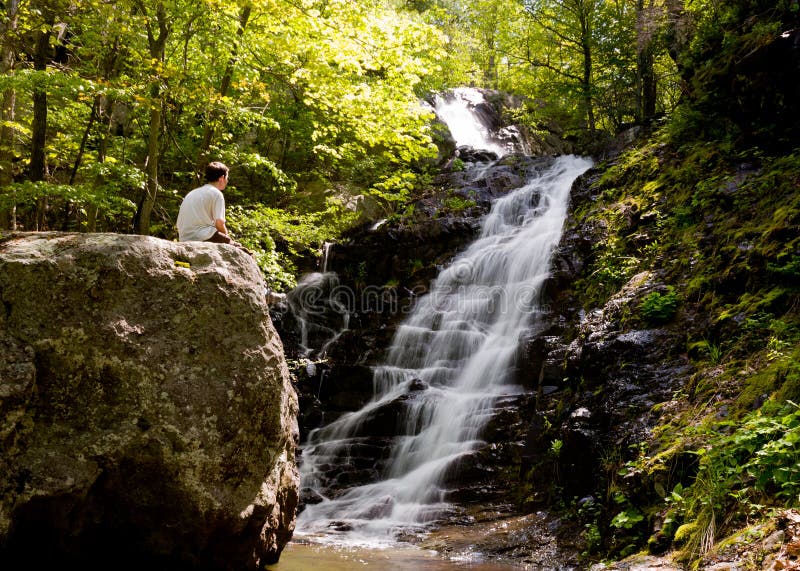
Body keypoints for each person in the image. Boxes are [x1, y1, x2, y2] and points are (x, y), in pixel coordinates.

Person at [177, 161, 234, 244]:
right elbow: (219, 223)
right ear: (222, 178)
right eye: (227, 178)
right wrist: (227, 238)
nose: (227, 181)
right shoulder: (216, 194)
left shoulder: (192, 192)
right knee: (241, 250)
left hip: (184, 238)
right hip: (203, 236)